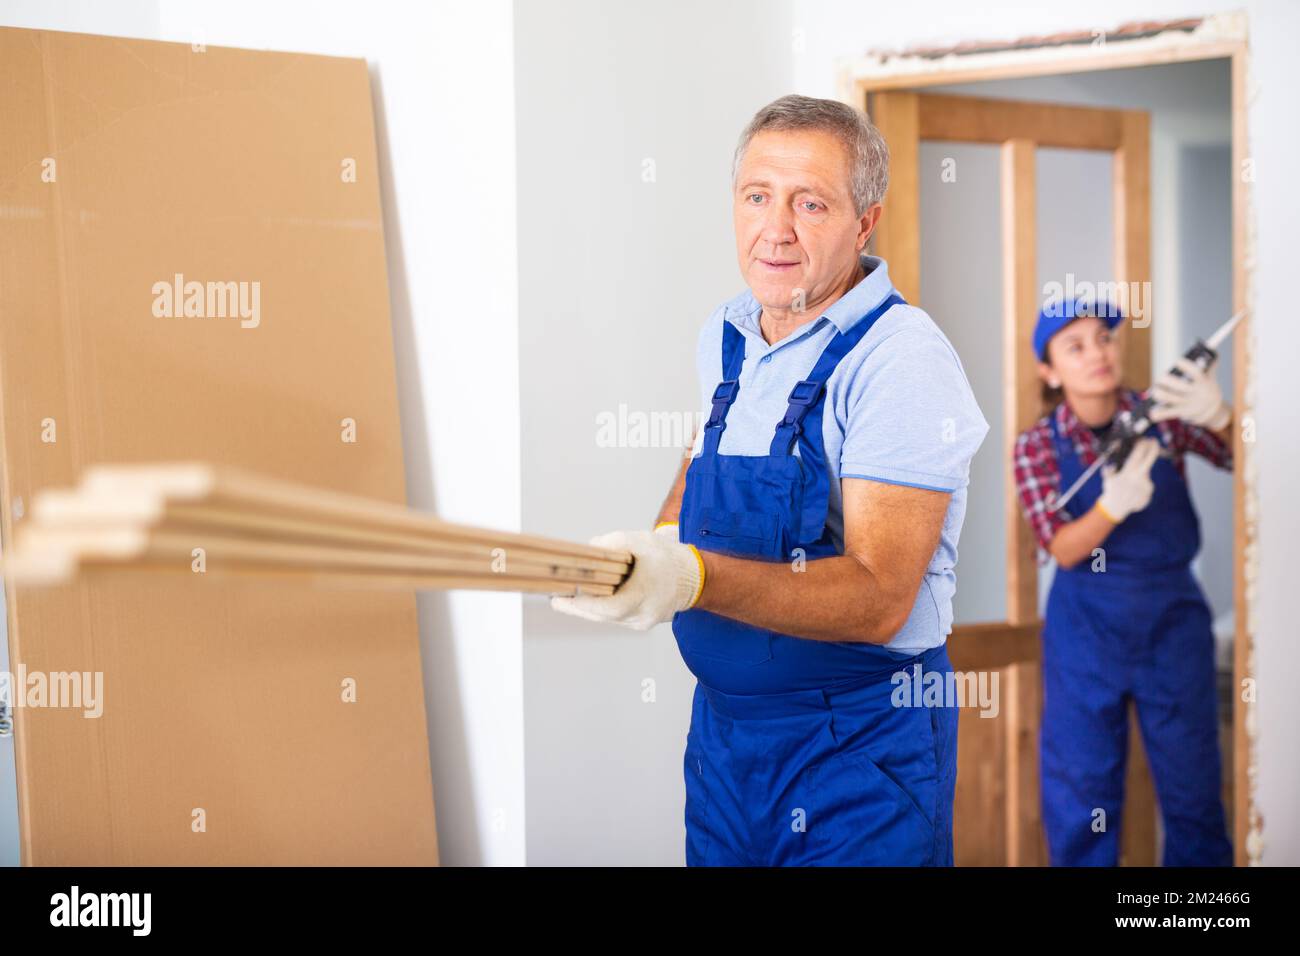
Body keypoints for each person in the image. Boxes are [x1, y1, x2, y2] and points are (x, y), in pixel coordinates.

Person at [551, 94, 988, 866]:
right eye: (758, 196)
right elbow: (704, 455)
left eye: (810, 203)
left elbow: (881, 596)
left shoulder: (899, 361)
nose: (775, 228)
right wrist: (653, 548)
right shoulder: (730, 331)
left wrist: (688, 577)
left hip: (856, 751)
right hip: (725, 746)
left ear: (864, 222)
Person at [1013, 296, 1234, 866]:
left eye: (1105, 338)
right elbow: (1061, 547)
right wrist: (1112, 508)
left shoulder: (1163, 413)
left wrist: (1224, 418)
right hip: (1086, 633)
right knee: (1083, 796)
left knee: (1194, 795)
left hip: (1173, 626)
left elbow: (1247, 462)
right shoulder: (1037, 446)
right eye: (1075, 346)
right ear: (1049, 370)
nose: (1097, 353)